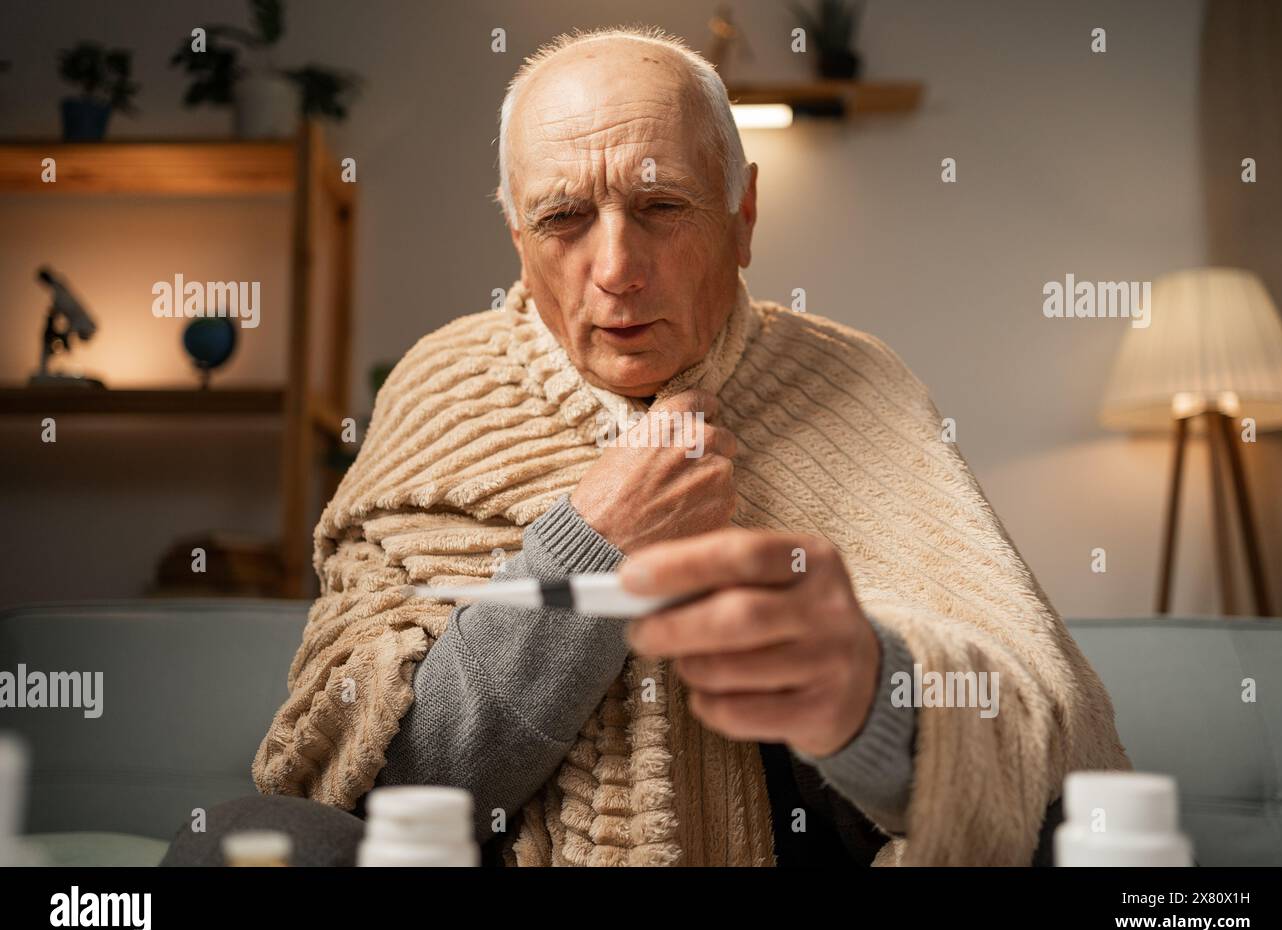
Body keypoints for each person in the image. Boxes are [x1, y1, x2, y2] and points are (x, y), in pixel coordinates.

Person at [164, 25, 1129, 868]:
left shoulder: (858, 379)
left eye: (663, 208)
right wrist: (592, 543)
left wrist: (865, 700)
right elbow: (382, 777)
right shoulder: (439, 383)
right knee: (245, 841)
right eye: (564, 219)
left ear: (742, 216)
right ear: (517, 236)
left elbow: (1030, 733)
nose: (617, 269)